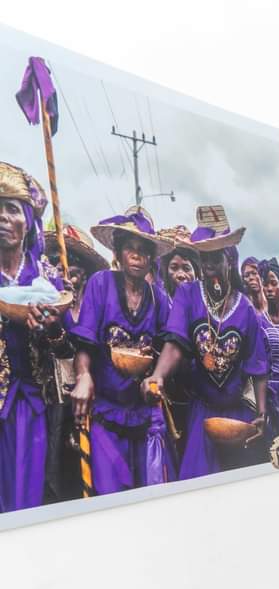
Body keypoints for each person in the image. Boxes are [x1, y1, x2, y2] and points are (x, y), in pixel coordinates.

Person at [141, 205, 267, 479]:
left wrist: (262, 412)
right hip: (202, 412)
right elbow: (175, 343)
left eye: (216, 258)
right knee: (198, 480)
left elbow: (258, 366)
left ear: (230, 260)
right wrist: (158, 376)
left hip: (237, 412)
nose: (209, 265)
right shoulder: (188, 296)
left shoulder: (246, 309)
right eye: (204, 258)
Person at [70, 208, 174, 493]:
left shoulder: (159, 298)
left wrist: (157, 376)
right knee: (108, 492)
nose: (138, 256)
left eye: (144, 251)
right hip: (105, 411)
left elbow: (170, 345)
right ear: (118, 252)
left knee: (145, 493)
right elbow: (85, 341)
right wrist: (83, 377)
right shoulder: (100, 284)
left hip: (143, 415)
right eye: (131, 248)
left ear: (152, 258)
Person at [0, 161, 67, 512]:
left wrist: (52, 327)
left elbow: (64, 348)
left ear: (28, 221)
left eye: (12, 209)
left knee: (25, 498)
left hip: (29, 402)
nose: (3, 218)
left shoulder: (48, 276)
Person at [42, 223, 108, 503]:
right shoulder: (51, 300)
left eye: (74, 260)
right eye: (58, 260)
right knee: (62, 467)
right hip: (59, 400)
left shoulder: (99, 302)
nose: (67, 266)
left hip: (98, 396)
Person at [258, 257, 279, 443]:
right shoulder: (259, 322)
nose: (269, 289)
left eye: (273, 283)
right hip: (273, 394)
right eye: (266, 284)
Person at [155, 225, 200, 301]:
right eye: (174, 268)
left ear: (196, 273)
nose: (181, 275)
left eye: (186, 268)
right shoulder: (158, 303)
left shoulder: (205, 304)